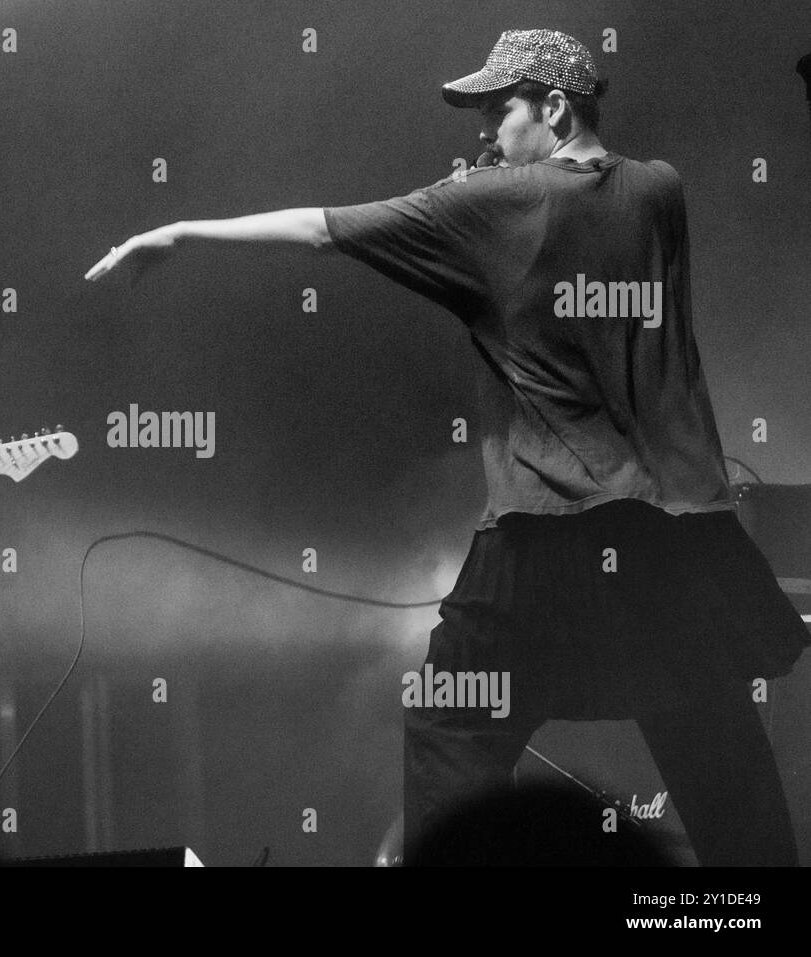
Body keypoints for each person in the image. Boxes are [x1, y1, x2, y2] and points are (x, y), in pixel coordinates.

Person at [86, 29, 808, 865]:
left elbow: (325, 230)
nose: (486, 132)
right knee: (710, 730)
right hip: (681, 541)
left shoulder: (488, 206)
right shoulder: (661, 189)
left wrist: (179, 230)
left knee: (452, 719)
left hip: (548, 537)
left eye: (500, 110)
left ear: (555, 107)